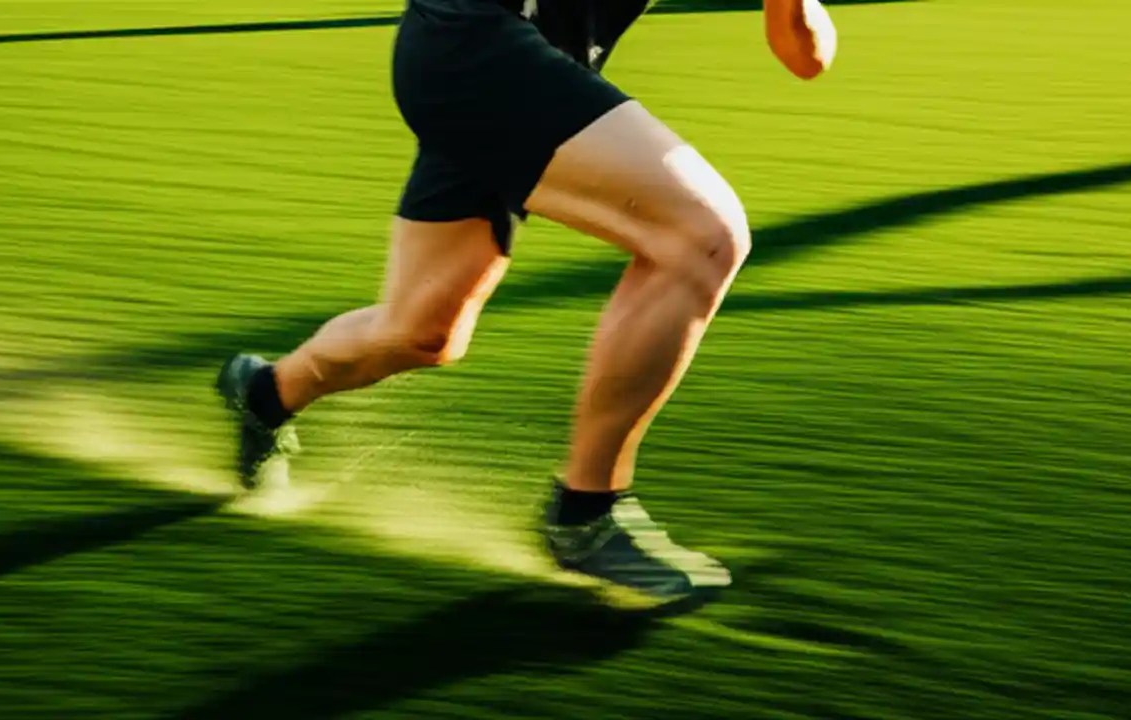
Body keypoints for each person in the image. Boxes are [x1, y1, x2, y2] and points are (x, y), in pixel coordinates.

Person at [216, 0, 836, 598]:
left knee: (423, 333)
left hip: (522, 64)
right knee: (703, 235)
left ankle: (267, 394)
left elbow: (806, 56)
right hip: (476, 42)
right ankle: (587, 514)